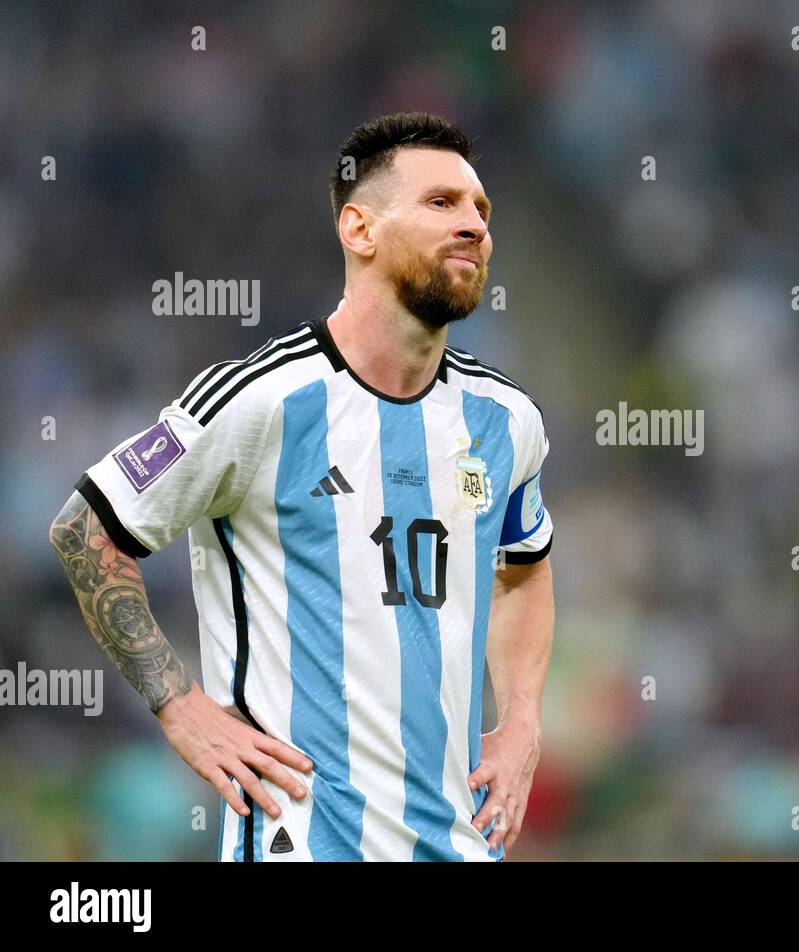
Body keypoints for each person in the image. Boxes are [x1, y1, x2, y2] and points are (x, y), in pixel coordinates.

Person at [48, 113, 555, 862]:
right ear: (359, 229)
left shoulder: (507, 422)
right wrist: (180, 707)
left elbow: (524, 567)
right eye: (442, 204)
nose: (474, 226)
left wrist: (520, 720)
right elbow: (85, 529)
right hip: (304, 842)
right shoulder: (261, 401)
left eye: (481, 209)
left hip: (458, 844)